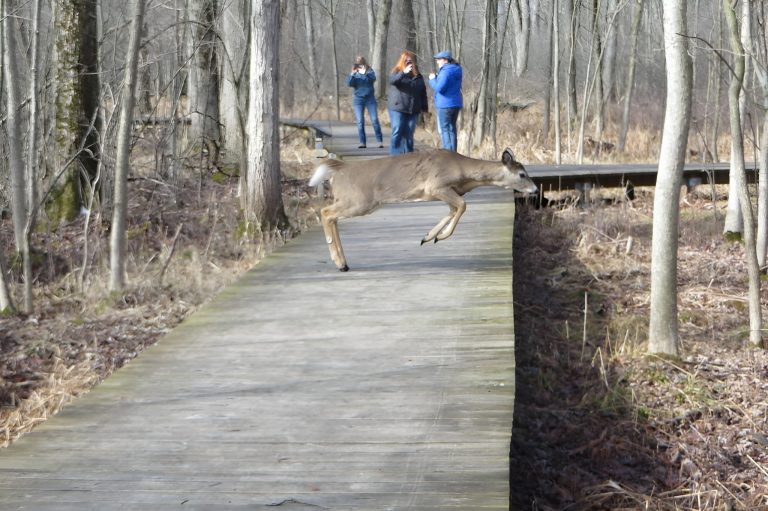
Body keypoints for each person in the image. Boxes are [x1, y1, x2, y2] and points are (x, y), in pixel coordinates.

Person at [387, 51, 428, 155]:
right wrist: (403, 73)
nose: (409, 63)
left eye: (410, 61)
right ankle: (395, 154)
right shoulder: (396, 72)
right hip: (398, 107)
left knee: (409, 132)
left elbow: (423, 92)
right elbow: (392, 81)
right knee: (398, 129)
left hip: (413, 108)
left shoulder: (418, 76)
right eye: (406, 61)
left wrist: (424, 108)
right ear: (402, 61)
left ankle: (408, 154)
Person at [428, 51, 463, 152]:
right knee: (452, 129)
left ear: (446, 60)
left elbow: (439, 88)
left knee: (445, 129)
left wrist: (432, 79)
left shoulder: (446, 71)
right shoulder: (457, 69)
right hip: (456, 103)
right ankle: (453, 154)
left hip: (445, 104)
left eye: (439, 59)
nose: (437, 62)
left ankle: (448, 155)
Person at [346, 56, 383, 149]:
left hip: (370, 99)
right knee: (360, 121)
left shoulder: (369, 71)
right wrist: (352, 74)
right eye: (358, 64)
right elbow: (349, 83)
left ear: (364, 63)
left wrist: (365, 73)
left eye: (361, 64)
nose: (360, 66)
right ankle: (362, 142)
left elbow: (372, 79)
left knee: (374, 119)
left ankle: (379, 141)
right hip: (358, 99)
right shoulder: (355, 72)